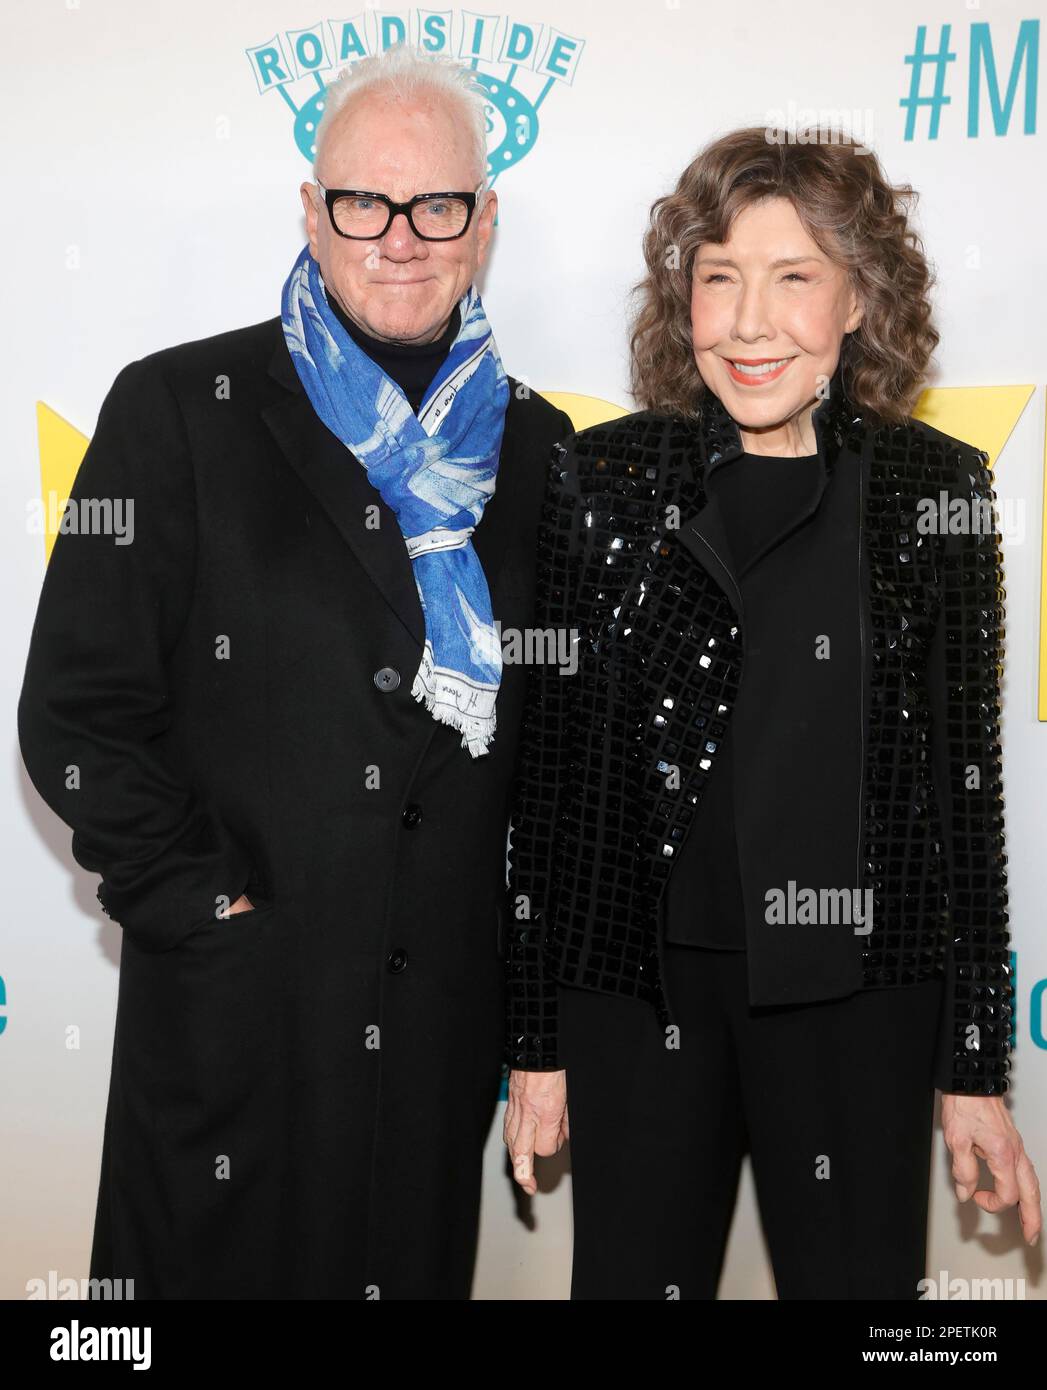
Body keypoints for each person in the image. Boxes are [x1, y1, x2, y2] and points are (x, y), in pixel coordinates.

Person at [18, 44, 571, 1299]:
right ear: (310, 213)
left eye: (436, 206)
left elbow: (552, 762)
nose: (399, 239)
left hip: (431, 1048)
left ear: (484, 223)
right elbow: (75, 714)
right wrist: (214, 916)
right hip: (232, 1022)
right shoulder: (176, 409)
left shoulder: (540, 449)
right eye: (361, 204)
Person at [502, 127, 1041, 1299]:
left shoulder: (934, 490)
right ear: (681, 296)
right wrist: (536, 1039)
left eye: (795, 278)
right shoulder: (602, 480)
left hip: (861, 1006)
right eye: (720, 278)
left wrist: (975, 1062)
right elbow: (545, 785)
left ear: (858, 301)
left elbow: (968, 795)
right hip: (638, 1003)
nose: (751, 323)